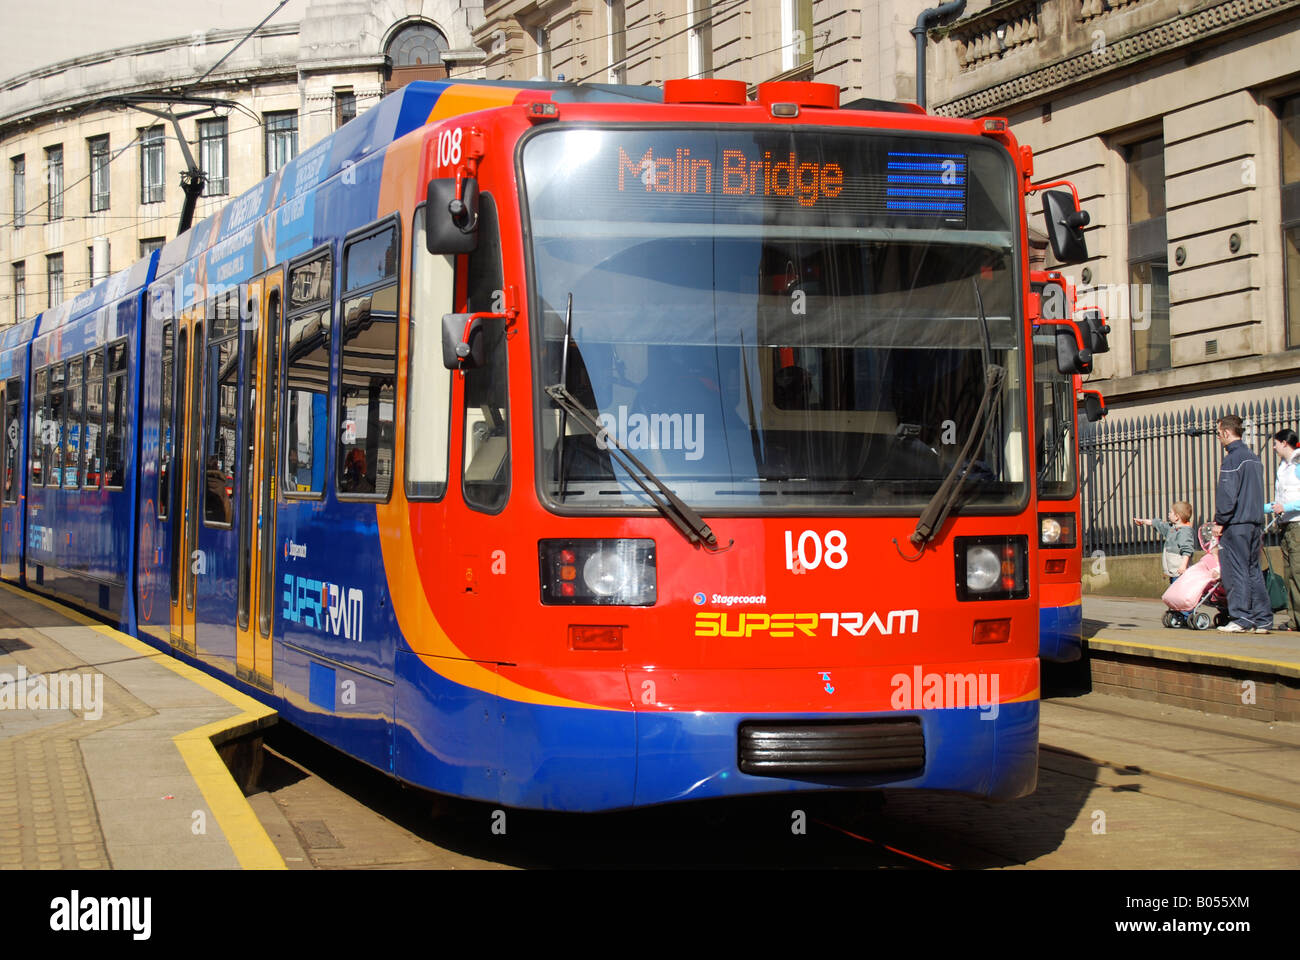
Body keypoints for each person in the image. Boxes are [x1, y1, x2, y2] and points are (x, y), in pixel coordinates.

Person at [1212, 416, 1271, 633]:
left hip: (1236, 524)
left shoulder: (1231, 460)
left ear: (1227, 433)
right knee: (1253, 570)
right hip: (1255, 523)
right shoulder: (1254, 459)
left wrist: (1220, 521)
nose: (1218, 438)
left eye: (1218, 434)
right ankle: (1263, 619)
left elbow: (1227, 496)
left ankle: (1241, 618)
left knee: (1235, 571)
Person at [1266, 428, 1300, 630]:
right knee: (1289, 574)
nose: (1273, 446)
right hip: (1285, 524)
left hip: (1297, 524)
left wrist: (1284, 507)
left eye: (1276, 443)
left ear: (1284, 443)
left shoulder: (1297, 465)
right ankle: (1295, 619)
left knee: (1298, 572)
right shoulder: (1283, 466)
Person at [1134, 501, 1195, 584]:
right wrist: (1143, 521)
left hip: (1180, 571)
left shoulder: (1184, 532)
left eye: (1170, 512)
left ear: (1177, 517)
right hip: (1174, 570)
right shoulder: (1172, 528)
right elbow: (1158, 524)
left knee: (1176, 593)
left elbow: (1187, 550)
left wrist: (1183, 565)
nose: (1168, 514)